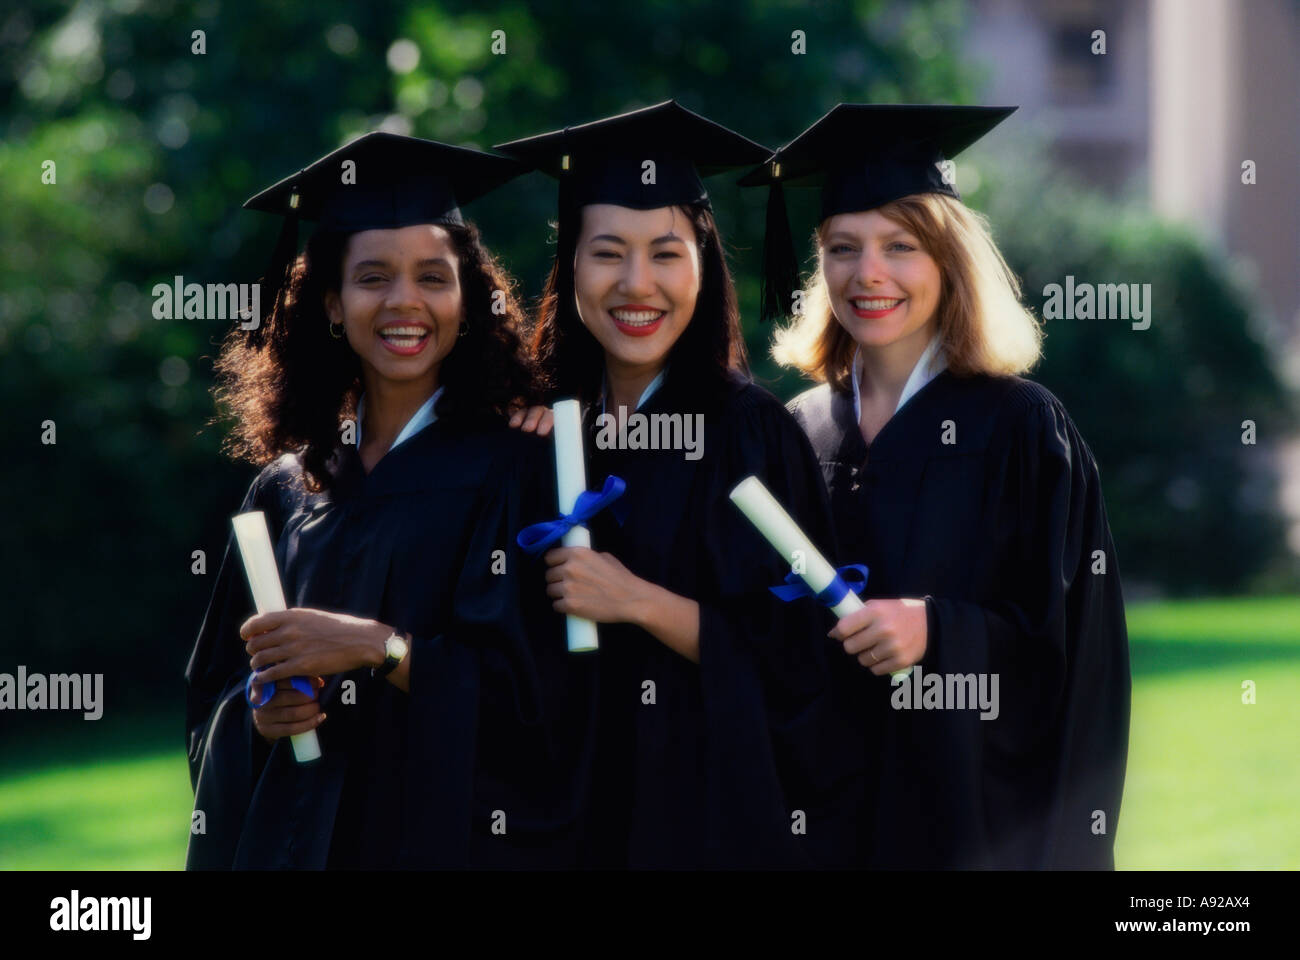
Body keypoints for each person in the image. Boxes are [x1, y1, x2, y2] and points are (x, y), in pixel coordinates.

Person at [185, 132, 591, 869]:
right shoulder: (283, 491)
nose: (405, 301)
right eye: (373, 278)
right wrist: (257, 714)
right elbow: (211, 695)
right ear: (332, 304)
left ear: (467, 302)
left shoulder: (520, 471)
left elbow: (553, 704)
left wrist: (382, 649)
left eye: (434, 277)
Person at [743, 103, 1131, 869]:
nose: (869, 273)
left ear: (948, 263)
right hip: (822, 829)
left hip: (973, 829)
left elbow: (1075, 655)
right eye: (843, 248)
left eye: (901, 245)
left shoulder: (1020, 429)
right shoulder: (798, 432)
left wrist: (941, 632)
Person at [498, 101, 864, 868]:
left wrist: (636, 602)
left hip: (709, 825)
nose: (637, 284)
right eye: (607, 253)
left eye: (666, 253)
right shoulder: (538, 434)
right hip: (563, 827)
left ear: (703, 266)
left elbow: (807, 658)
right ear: (570, 269)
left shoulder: (750, 433)